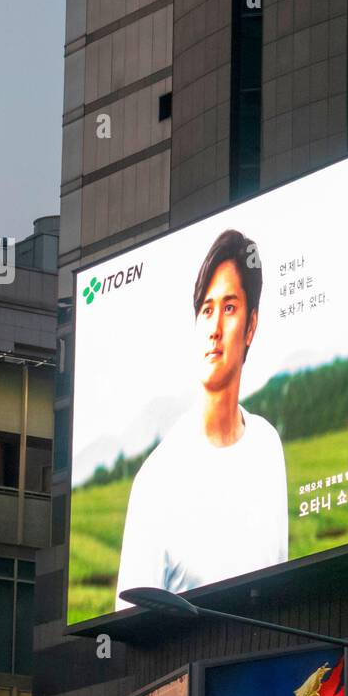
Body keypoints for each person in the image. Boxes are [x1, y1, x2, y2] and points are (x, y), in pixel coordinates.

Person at [114, 228, 288, 609]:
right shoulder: (155, 481)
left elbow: (281, 590)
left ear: (251, 324)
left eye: (229, 308)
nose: (214, 329)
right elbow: (130, 633)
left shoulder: (267, 445)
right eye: (206, 310)